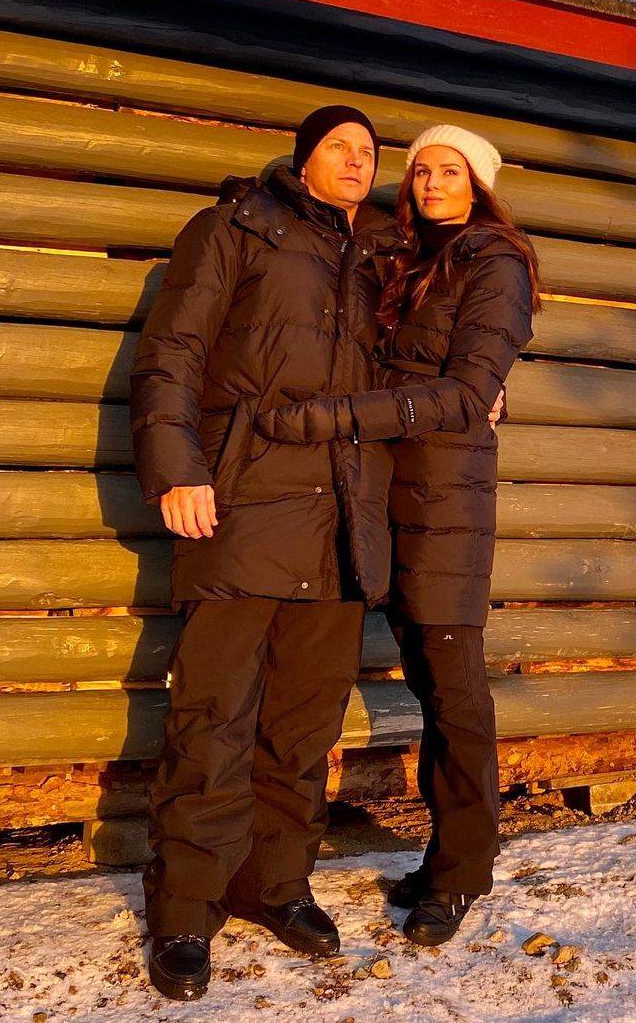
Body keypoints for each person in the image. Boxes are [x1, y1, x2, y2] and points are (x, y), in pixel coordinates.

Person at [130, 104, 403, 1001]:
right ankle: (185, 910)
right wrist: (178, 467)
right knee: (212, 720)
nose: (356, 161)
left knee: (303, 726)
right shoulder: (235, 228)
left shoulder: (384, 258)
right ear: (302, 157)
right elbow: (173, 352)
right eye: (339, 146)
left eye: (368, 151)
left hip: (342, 520)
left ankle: (275, 885)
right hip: (241, 506)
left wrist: (484, 392)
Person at [255, 123, 541, 947]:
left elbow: (466, 395)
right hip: (381, 488)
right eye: (420, 170)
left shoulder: (496, 262)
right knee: (423, 674)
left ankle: (461, 872)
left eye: (450, 170)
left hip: (445, 500)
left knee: (453, 690)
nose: (431, 182)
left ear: (480, 184)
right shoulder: (408, 255)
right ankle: (445, 859)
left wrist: (338, 416)